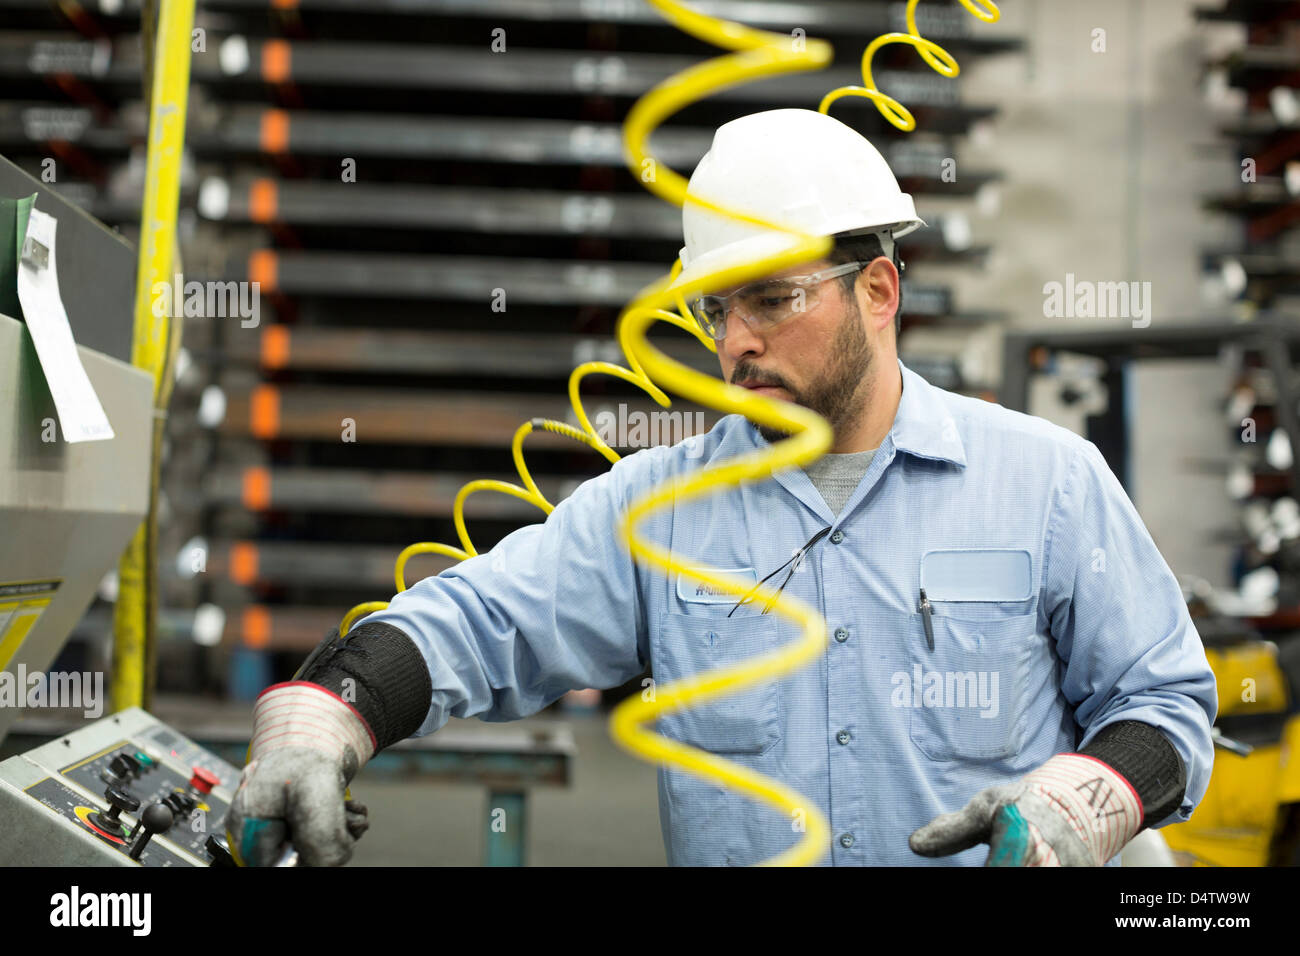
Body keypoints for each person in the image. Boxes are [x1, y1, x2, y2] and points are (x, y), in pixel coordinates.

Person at [225, 108, 1216, 867]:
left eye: (773, 299)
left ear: (877, 291)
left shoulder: (1045, 482)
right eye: (715, 309)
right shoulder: (659, 510)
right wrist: (329, 708)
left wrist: (1082, 799)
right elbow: (475, 621)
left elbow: (1165, 699)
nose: (734, 341)